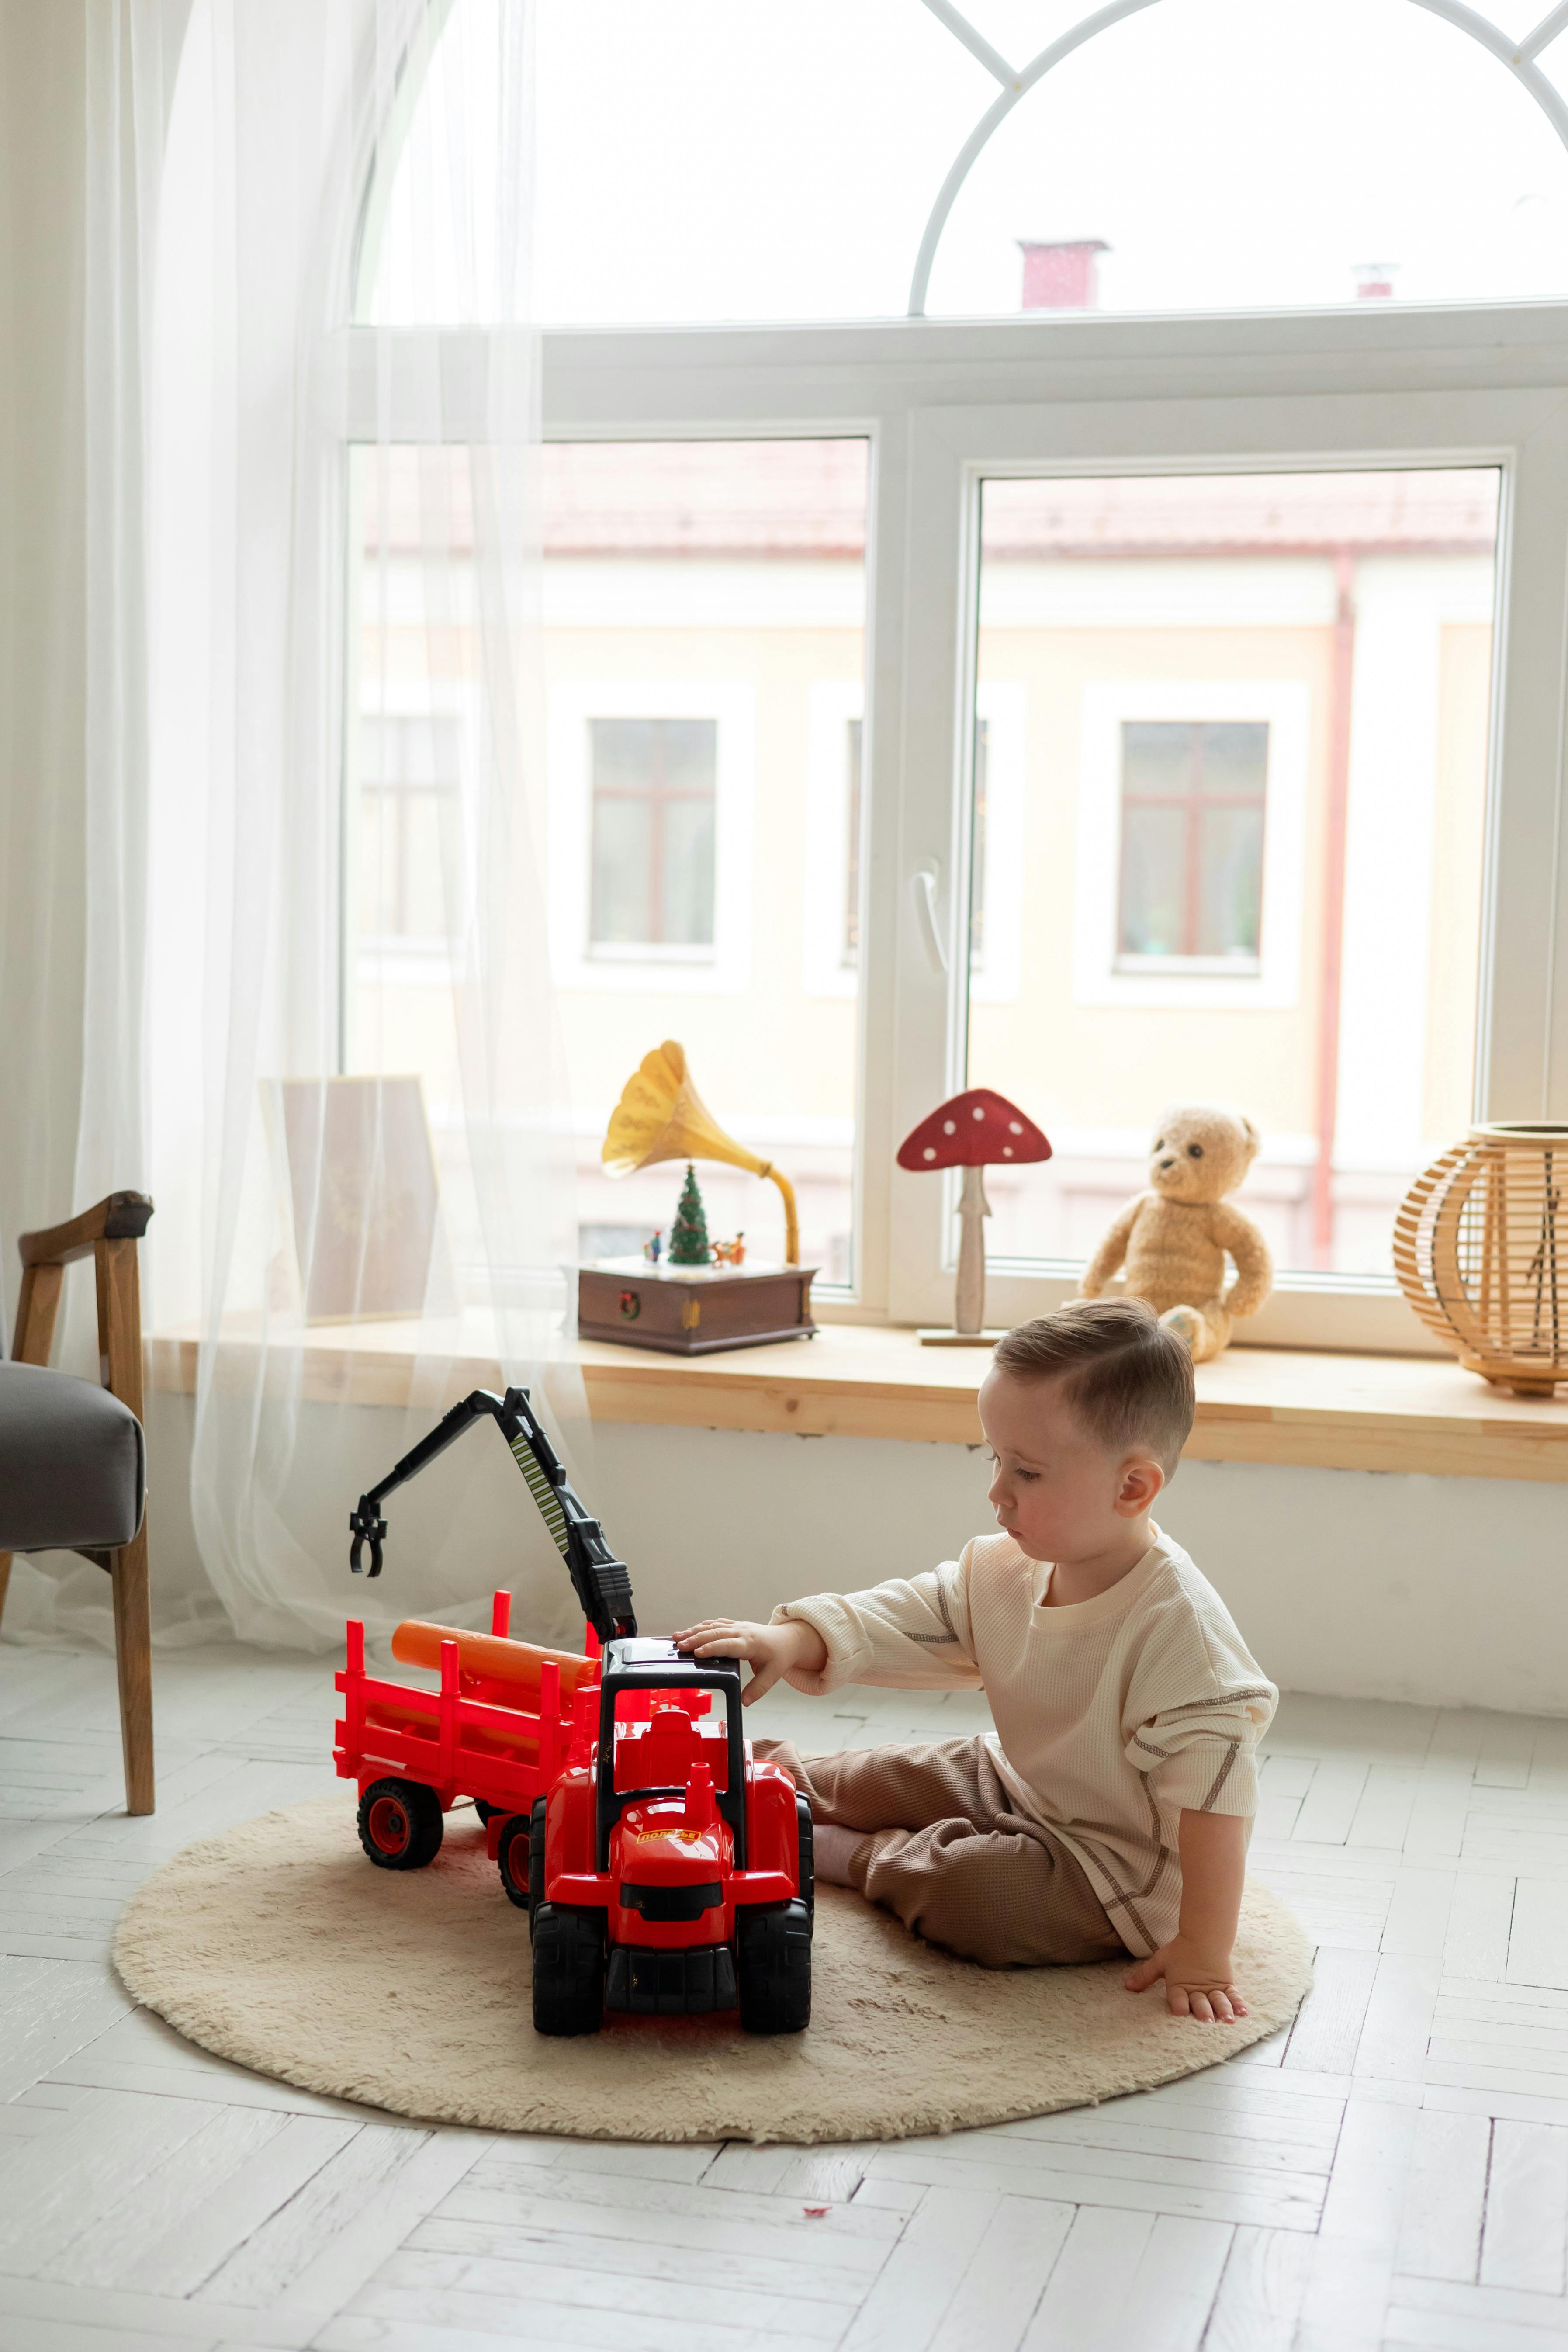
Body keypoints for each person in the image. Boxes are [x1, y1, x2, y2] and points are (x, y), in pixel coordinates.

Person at [675, 1297, 1276, 2022]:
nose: (996, 1493)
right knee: (874, 1774)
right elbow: (919, 1613)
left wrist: (1205, 1948)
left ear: (1132, 1487)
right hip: (1016, 1777)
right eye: (995, 1460)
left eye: (1025, 1472)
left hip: (1109, 1866)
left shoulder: (1184, 1640)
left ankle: (840, 1853)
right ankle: (718, 1783)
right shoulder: (1010, 1565)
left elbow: (1216, 1807)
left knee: (972, 1893)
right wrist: (795, 1638)